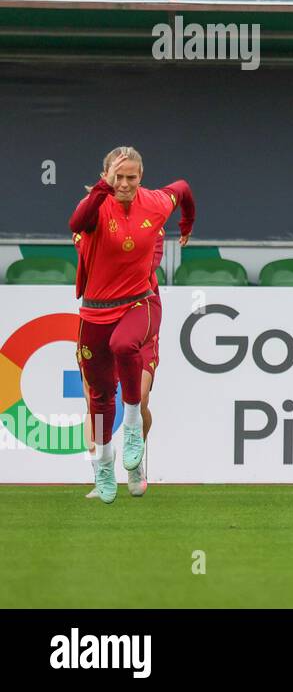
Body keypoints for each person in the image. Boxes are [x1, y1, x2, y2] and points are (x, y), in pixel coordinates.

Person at [68, 147, 194, 503]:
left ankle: (137, 457)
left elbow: (180, 192)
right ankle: (101, 470)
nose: (124, 184)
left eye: (131, 177)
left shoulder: (151, 219)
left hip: (138, 312)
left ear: (140, 178)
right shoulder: (93, 212)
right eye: (116, 176)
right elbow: (78, 226)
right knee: (96, 402)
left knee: (138, 393)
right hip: (96, 313)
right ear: (105, 175)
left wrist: (186, 225)